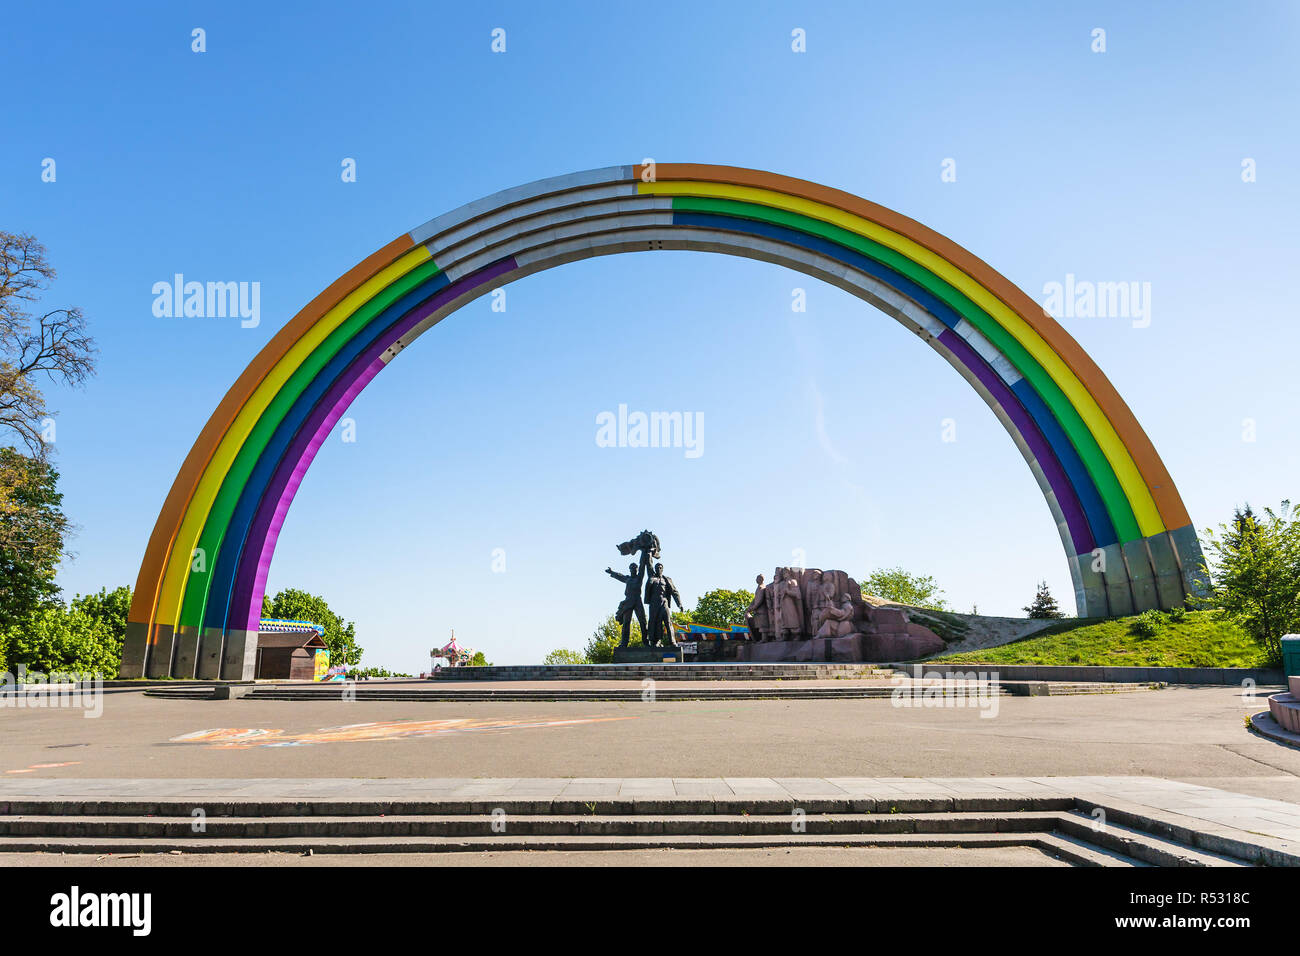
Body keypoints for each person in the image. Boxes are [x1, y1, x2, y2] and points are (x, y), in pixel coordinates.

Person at [605, 550, 649, 648]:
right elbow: (619, 576)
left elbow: (642, 565)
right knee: (626, 623)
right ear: (630, 569)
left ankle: (646, 642)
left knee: (643, 621)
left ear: (637, 569)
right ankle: (624, 643)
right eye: (632, 568)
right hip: (628, 601)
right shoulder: (628, 579)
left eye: (635, 568)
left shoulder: (639, 577)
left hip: (637, 600)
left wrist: (644, 553)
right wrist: (612, 572)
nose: (634, 569)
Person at [644, 561, 684, 647]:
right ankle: (657, 641)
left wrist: (679, 604)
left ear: (662, 569)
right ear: (654, 569)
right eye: (657, 567)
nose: (658, 569)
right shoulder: (652, 578)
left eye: (660, 567)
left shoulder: (667, 579)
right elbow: (649, 564)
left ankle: (672, 642)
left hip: (664, 602)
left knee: (668, 622)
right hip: (654, 603)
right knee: (655, 622)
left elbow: (674, 592)